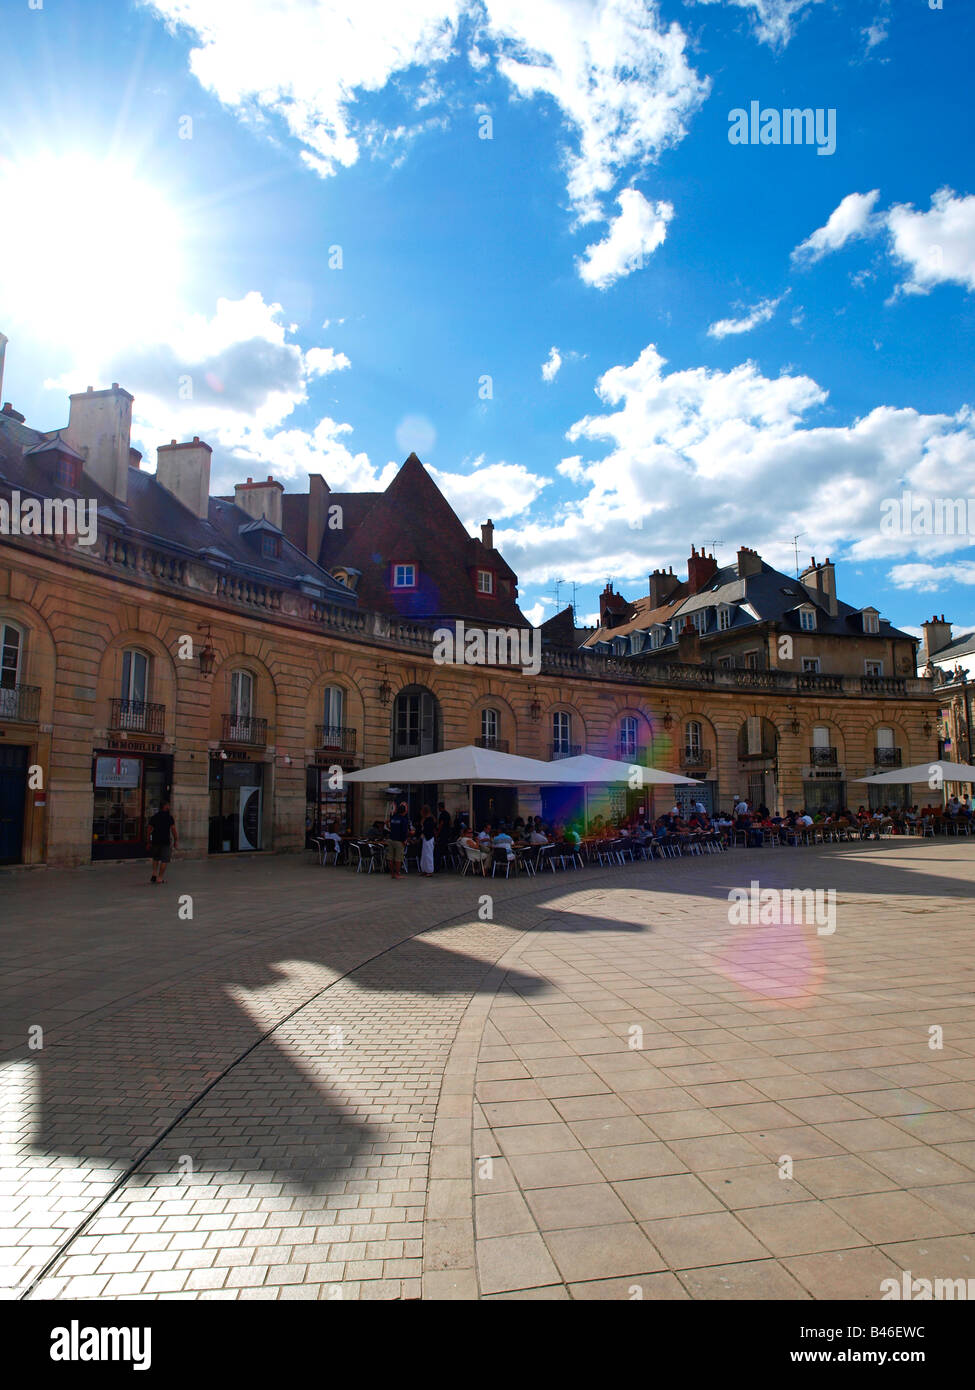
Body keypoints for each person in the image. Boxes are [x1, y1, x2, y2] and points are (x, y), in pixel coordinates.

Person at [147, 800, 178, 884]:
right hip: (165, 841)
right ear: (165, 806)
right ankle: (160, 878)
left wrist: (149, 841)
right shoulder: (169, 817)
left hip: (155, 840)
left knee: (156, 858)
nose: (169, 807)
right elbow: (173, 830)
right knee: (164, 860)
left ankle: (154, 874)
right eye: (168, 805)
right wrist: (175, 840)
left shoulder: (154, 817)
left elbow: (149, 830)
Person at [387, 801, 411, 880]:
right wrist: (405, 840)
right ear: (404, 811)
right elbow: (404, 831)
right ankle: (397, 874)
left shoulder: (393, 817)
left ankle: (392, 874)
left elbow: (390, 826)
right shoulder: (404, 820)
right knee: (398, 858)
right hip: (399, 841)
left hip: (391, 839)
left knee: (390, 857)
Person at [419, 804, 437, 876]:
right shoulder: (427, 818)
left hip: (429, 838)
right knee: (424, 855)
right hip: (426, 838)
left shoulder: (430, 819)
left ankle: (429, 870)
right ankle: (424, 869)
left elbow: (428, 828)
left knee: (428, 854)